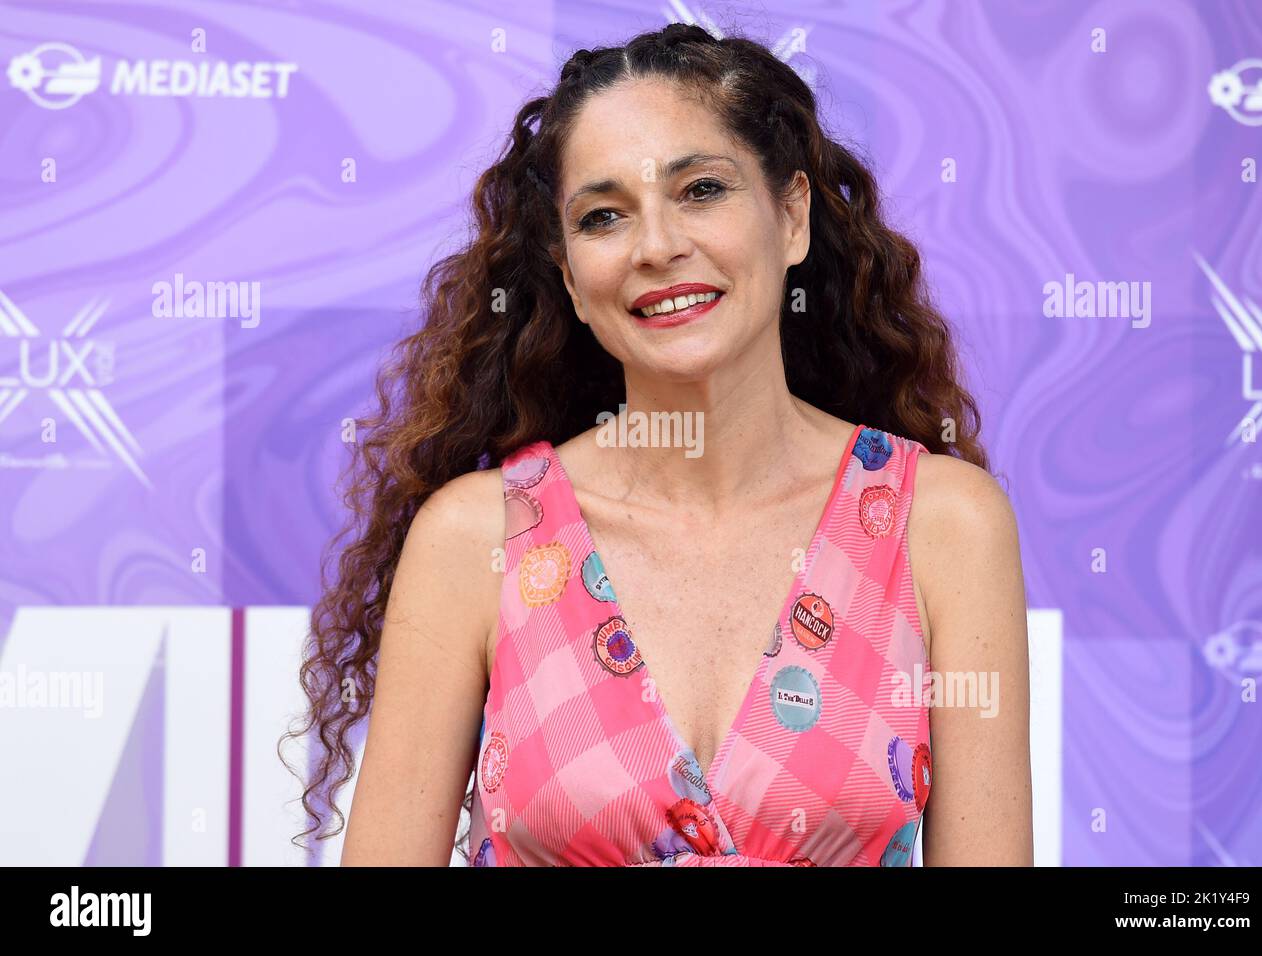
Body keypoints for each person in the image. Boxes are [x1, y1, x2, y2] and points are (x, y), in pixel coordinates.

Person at [285, 22, 1032, 866]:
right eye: (604, 216)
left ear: (793, 218)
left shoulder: (942, 525)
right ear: (570, 275)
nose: (657, 247)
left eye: (701, 190)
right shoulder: (476, 540)